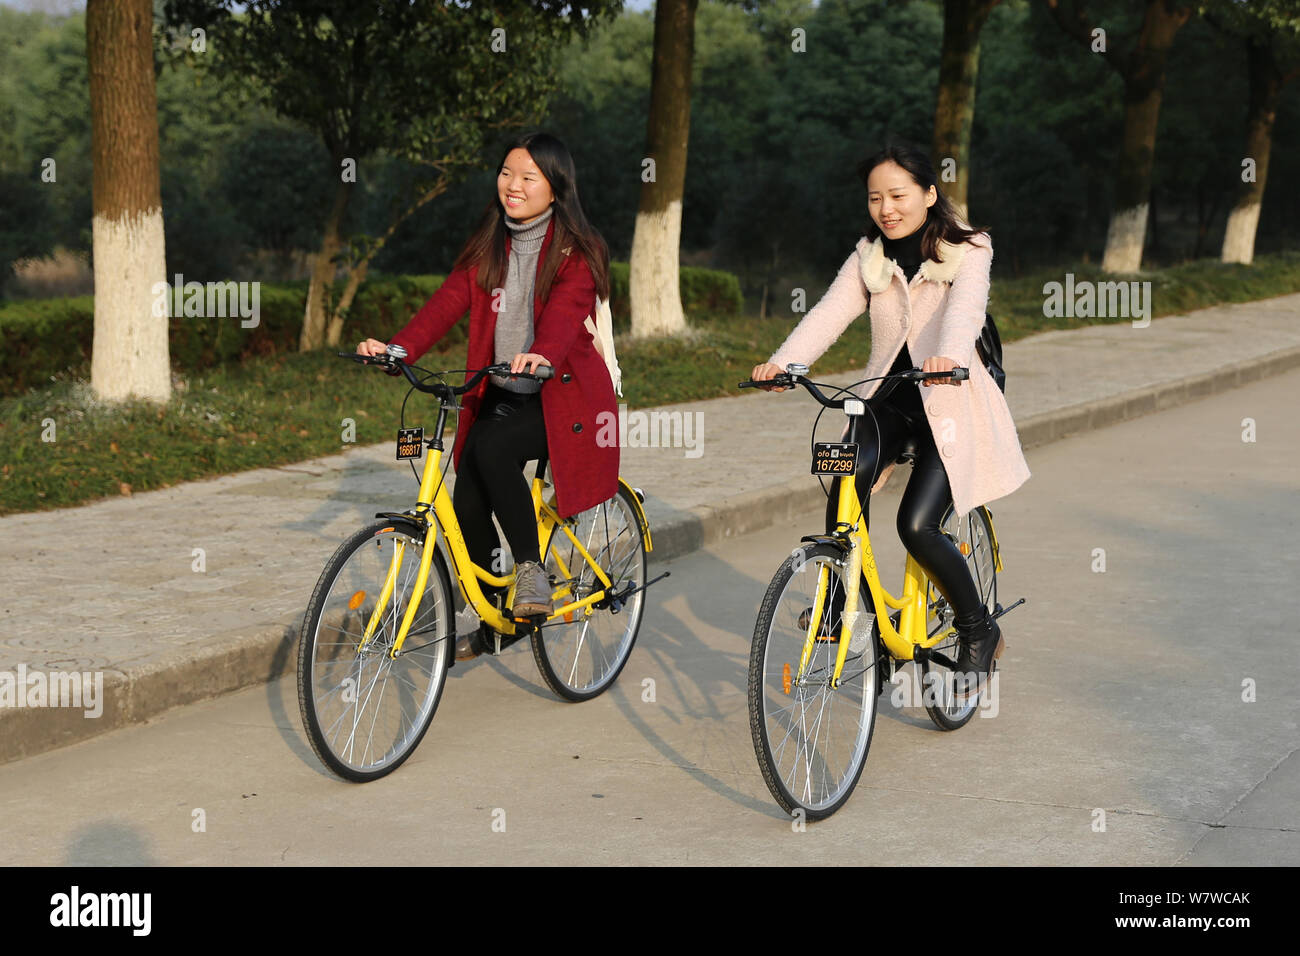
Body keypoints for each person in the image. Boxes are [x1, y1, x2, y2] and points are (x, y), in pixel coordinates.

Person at [751, 142, 1030, 696]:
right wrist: (783, 364)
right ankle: (837, 606)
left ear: (929, 194)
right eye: (876, 198)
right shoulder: (869, 259)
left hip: (951, 405)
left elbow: (966, 310)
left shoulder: (968, 249)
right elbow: (829, 313)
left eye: (899, 195)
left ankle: (978, 628)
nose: (887, 208)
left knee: (916, 525)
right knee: (844, 474)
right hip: (891, 398)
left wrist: (948, 355)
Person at [358, 132, 618, 659]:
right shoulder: (490, 243)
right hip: (503, 391)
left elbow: (568, 313)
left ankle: (530, 571)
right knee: (467, 499)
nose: (512, 185)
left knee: (491, 448)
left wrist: (541, 353)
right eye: (506, 173)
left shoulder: (577, 252)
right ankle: (502, 616)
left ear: (555, 188)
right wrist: (398, 349)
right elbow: (446, 302)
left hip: (565, 400)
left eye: (528, 177)